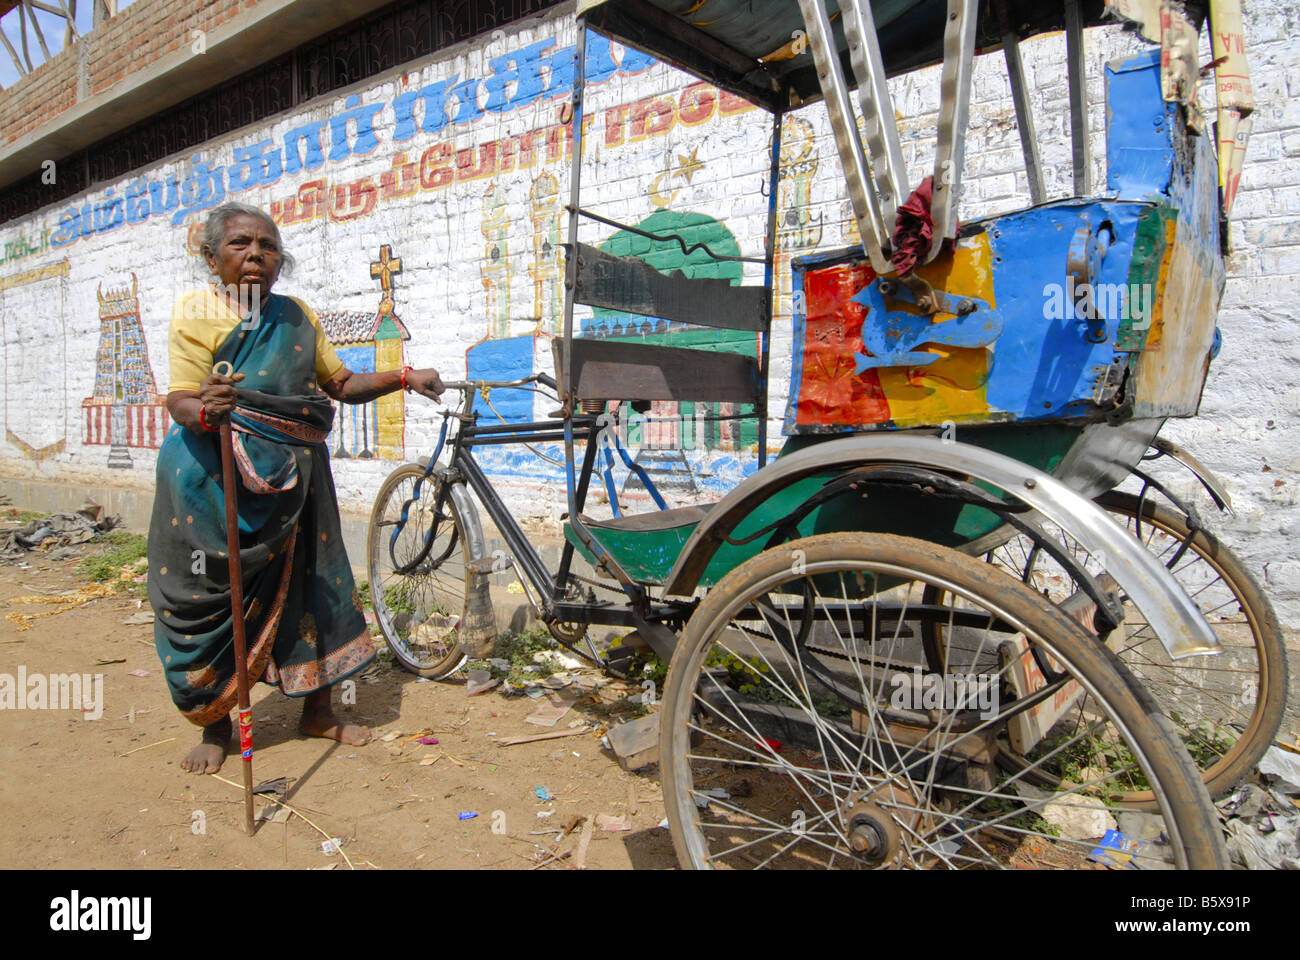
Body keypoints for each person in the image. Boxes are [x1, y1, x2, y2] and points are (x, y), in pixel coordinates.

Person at [149, 201, 444, 774]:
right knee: (216, 600)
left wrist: (405, 376)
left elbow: (341, 383)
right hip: (212, 484)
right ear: (212, 258)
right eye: (240, 244)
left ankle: (318, 709)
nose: (256, 254)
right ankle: (216, 722)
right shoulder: (196, 311)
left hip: (296, 483)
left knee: (319, 586)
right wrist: (204, 408)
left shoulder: (298, 316)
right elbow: (179, 398)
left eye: (268, 245)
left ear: (281, 260)